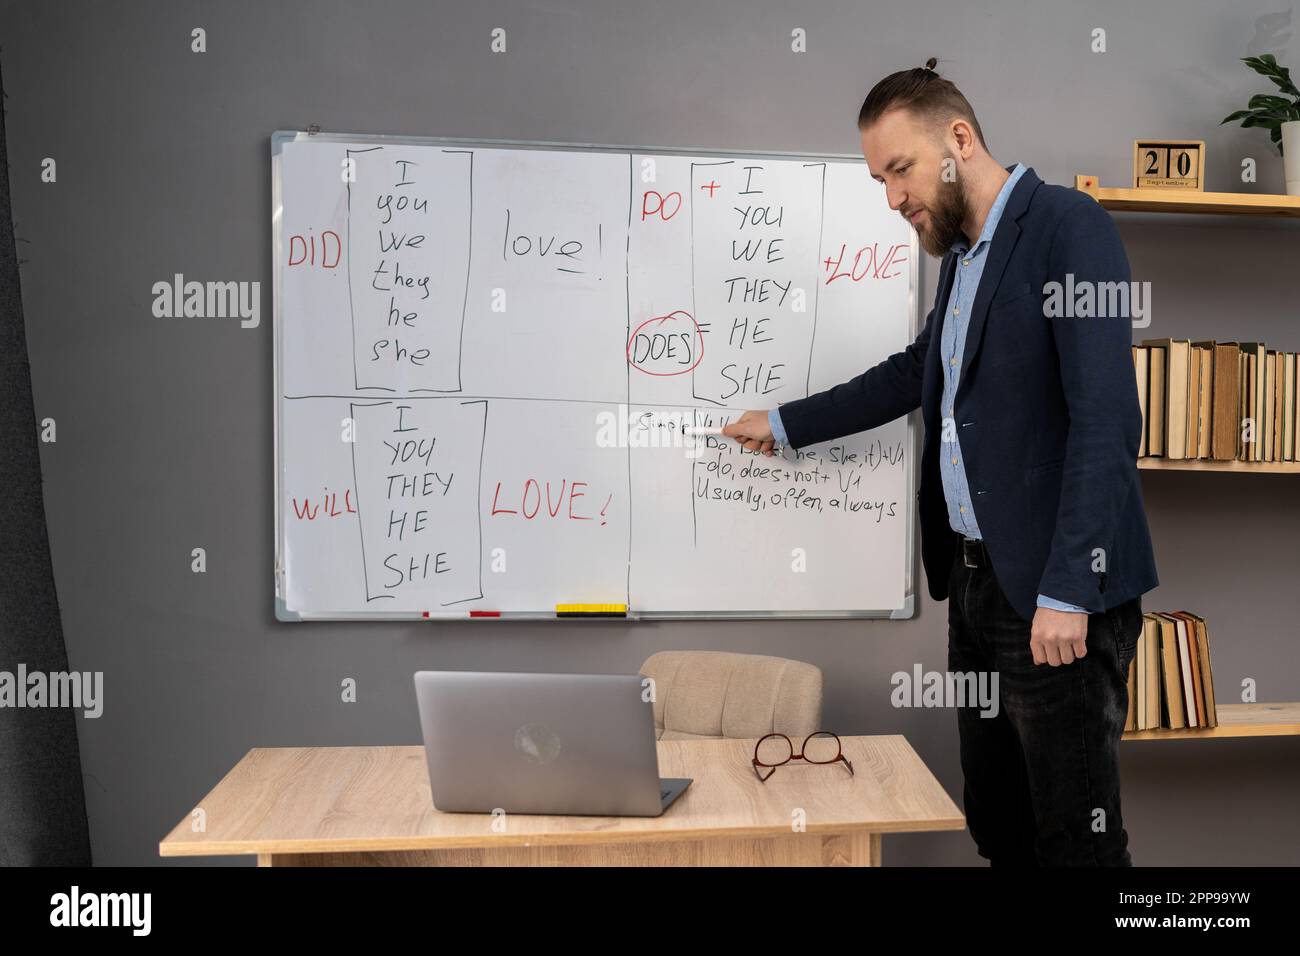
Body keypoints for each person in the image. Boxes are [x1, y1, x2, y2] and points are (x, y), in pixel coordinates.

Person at [723, 59, 1158, 866]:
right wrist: (783, 423)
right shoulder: (961, 259)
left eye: (900, 170)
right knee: (998, 826)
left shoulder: (1070, 225)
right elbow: (913, 373)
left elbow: (1107, 421)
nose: (892, 199)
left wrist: (1068, 590)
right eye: (880, 180)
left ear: (959, 139)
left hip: (1055, 593)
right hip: (976, 587)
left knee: (1076, 842)